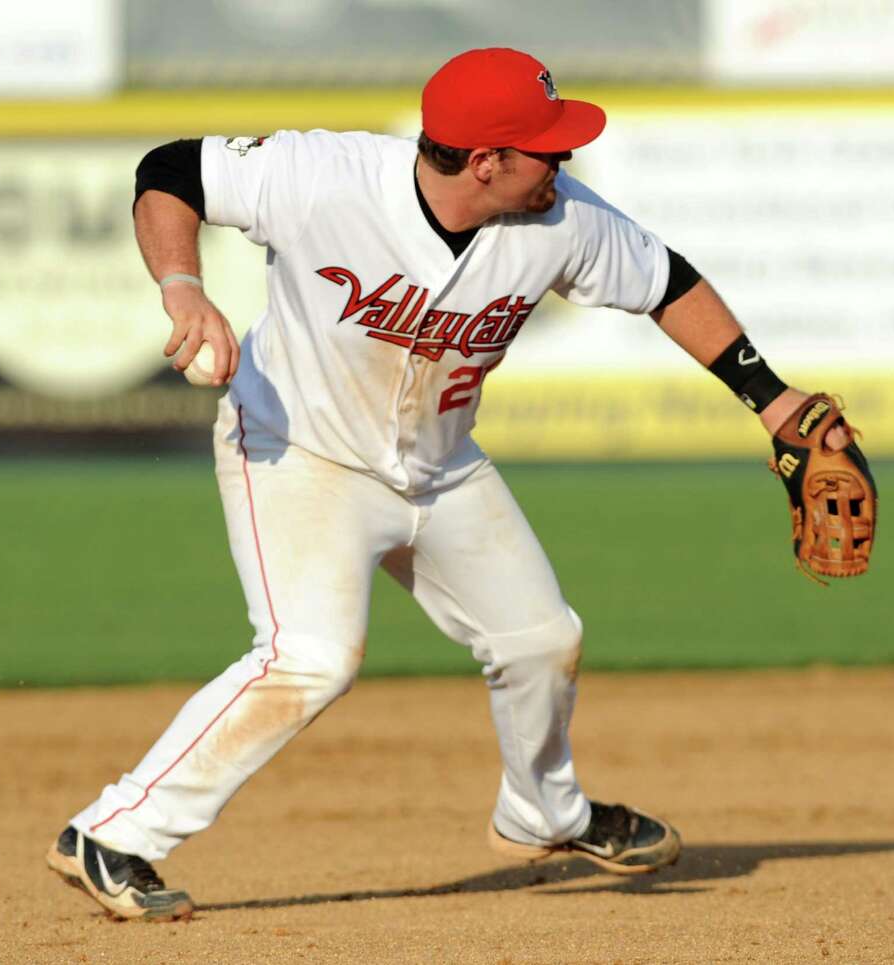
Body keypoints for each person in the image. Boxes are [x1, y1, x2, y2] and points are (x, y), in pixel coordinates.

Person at [46, 47, 847, 921]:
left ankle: (545, 811)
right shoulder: (327, 176)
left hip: (440, 463)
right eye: (548, 148)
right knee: (310, 656)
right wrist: (181, 284)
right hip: (296, 451)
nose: (566, 163)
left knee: (542, 638)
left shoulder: (562, 218)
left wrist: (770, 400)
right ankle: (115, 831)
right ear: (485, 160)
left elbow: (667, 282)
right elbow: (169, 172)